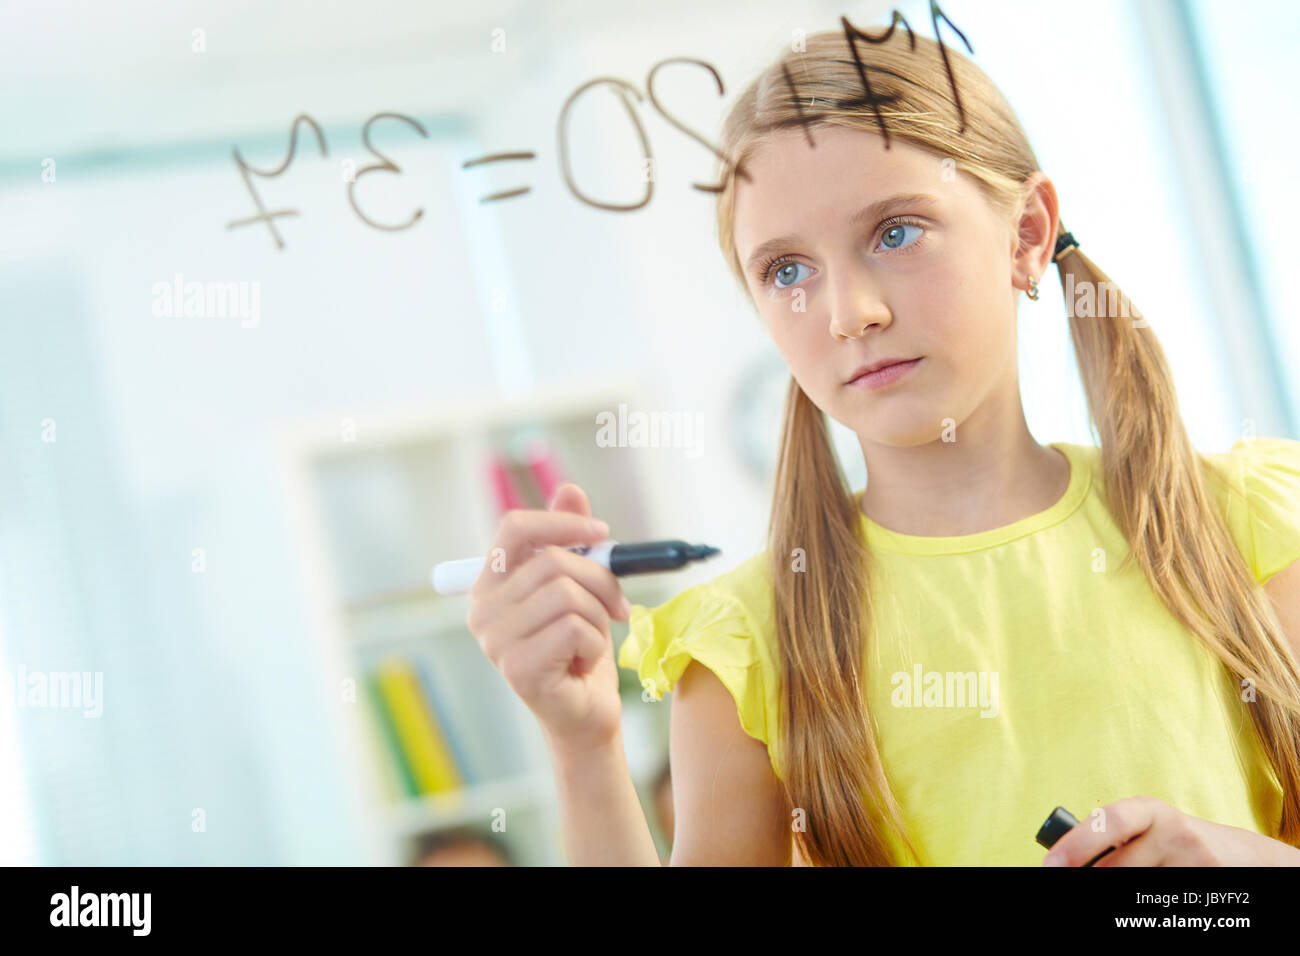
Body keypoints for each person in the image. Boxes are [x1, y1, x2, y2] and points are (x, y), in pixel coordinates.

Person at [464, 24, 1300, 866]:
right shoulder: (749, 645)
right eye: (787, 270)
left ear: (1027, 234)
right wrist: (583, 749)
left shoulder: (1247, 530)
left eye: (895, 232)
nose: (847, 312)